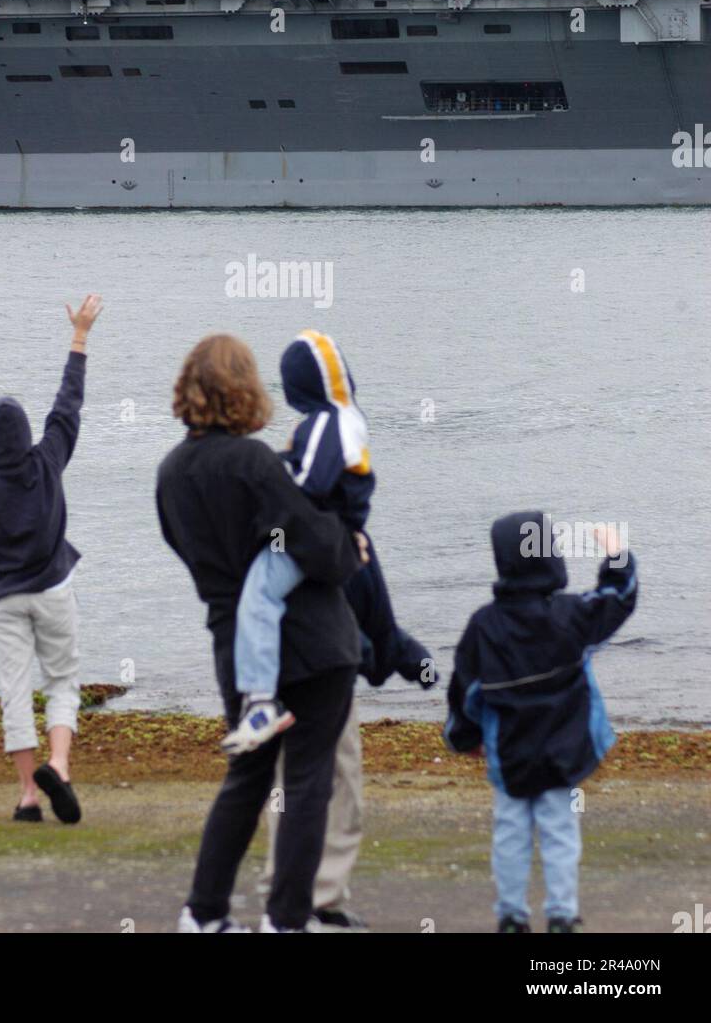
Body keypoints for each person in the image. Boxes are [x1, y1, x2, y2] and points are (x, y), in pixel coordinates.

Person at [156, 335, 364, 934]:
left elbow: (185, 549)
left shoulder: (170, 473)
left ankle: (204, 913)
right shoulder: (256, 463)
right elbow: (309, 540)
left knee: (246, 781)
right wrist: (349, 548)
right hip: (314, 642)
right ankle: (286, 921)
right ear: (245, 390)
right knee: (306, 783)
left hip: (234, 644)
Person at [224, 329, 437, 755]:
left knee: (260, 596)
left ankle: (260, 699)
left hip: (321, 534)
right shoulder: (344, 417)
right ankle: (413, 661)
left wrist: (263, 478)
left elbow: (310, 482)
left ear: (297, 386)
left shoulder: (328, 422)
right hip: (347, 535)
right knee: (371, 612)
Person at [444, 513, 638, 934]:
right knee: (560, 832)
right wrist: (616, 554)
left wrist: (464, 738)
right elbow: (618, 597)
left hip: (509, 753)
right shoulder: (570, 615)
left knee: (510, 833)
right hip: (562, 751)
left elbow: (463, 692)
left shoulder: (484, 625)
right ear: (550, 556)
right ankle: (561, 916)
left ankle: (512, 916)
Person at [0, 294, 103, 825]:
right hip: (53, 589)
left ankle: (26, 797)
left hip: (5, 596)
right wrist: (80, 335)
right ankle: (59, 766)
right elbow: (68, 403)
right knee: (63, 679)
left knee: (14, 691)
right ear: (24, 438)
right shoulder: (48, 463)